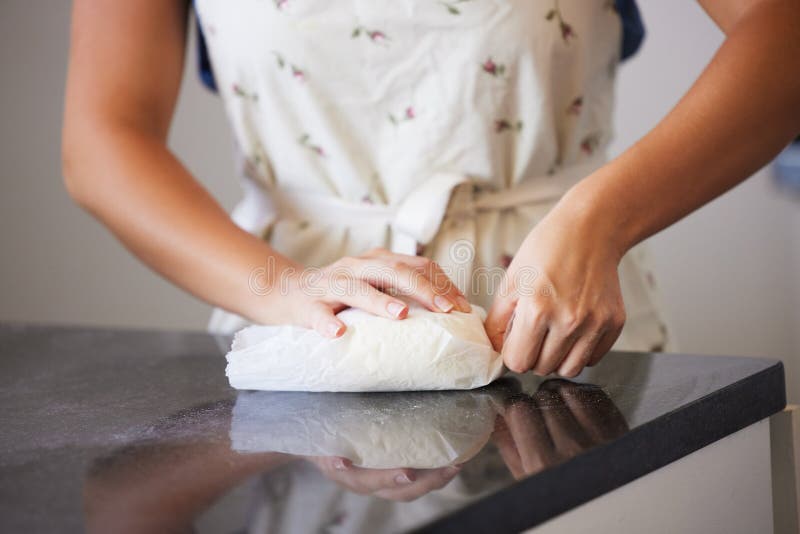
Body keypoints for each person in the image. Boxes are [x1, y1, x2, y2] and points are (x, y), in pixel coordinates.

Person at [62, 1, 800, 378]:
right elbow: (103, 137)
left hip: (563, 334)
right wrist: (280, 287)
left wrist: (601, 219)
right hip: (301, 348)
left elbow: (783, 30)